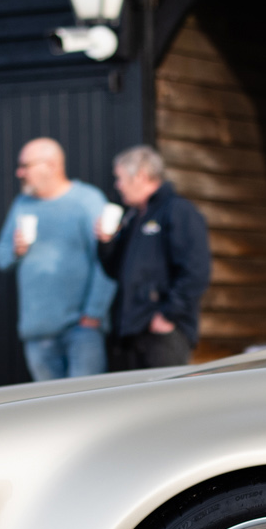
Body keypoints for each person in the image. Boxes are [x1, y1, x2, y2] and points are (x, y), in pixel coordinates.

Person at [0, 137, 115, 382]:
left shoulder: (86, 201)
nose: (20, 172)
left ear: (51, 165)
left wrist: (93, 314)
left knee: (84, 405)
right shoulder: (22, 204)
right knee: (50, 412)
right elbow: (0, 256)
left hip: (81, 329)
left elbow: (107, 260)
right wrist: (16, 251)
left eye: (26, 165)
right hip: (37, 332)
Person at [97, 146, 210, 371]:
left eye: (119, 178)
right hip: (130, 333)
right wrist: (106, 242)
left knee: (166, 403)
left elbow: (196, 271)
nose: (117, 186)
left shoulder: (178, 211)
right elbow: (114, 271)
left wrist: (168, 316)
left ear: (140, 175)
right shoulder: (132, 218)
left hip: (162, 334)